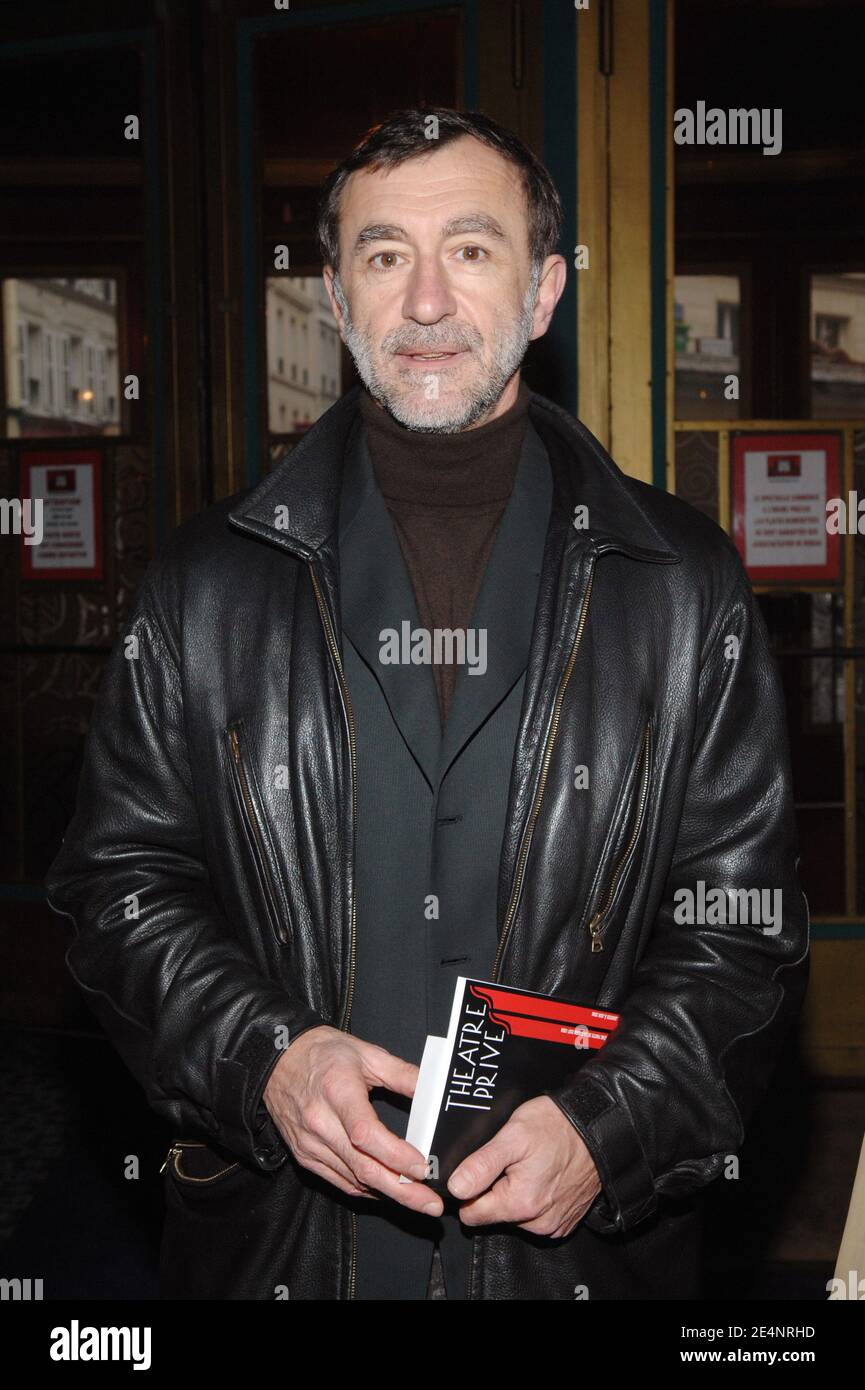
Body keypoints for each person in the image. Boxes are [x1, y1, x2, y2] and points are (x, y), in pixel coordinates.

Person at [45, 106, 809, 1301]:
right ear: (335, 298)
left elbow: (741, 929)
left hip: (575, 1263)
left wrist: (609, 1126)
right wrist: (267, 1059)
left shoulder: (680, 582)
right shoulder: (206, 582)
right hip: (286, 1246)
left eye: (470, 248)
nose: (427, 301)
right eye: (384, 255)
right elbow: (116, 887)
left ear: (543, 291)